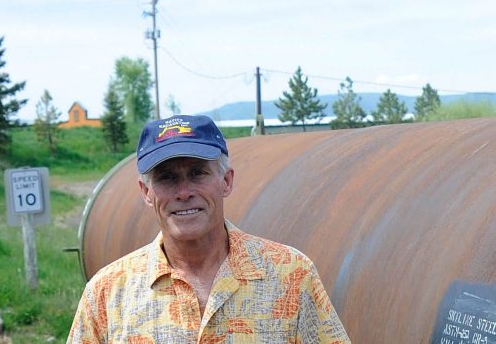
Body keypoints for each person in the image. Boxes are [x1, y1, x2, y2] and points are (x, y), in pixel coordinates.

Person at [67, 114, 351, 343]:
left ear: (226, 181)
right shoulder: (108, 293)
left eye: (197, 173)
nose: (183, 192)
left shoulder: (291, 275)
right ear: (146, 192)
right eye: (166, 178)